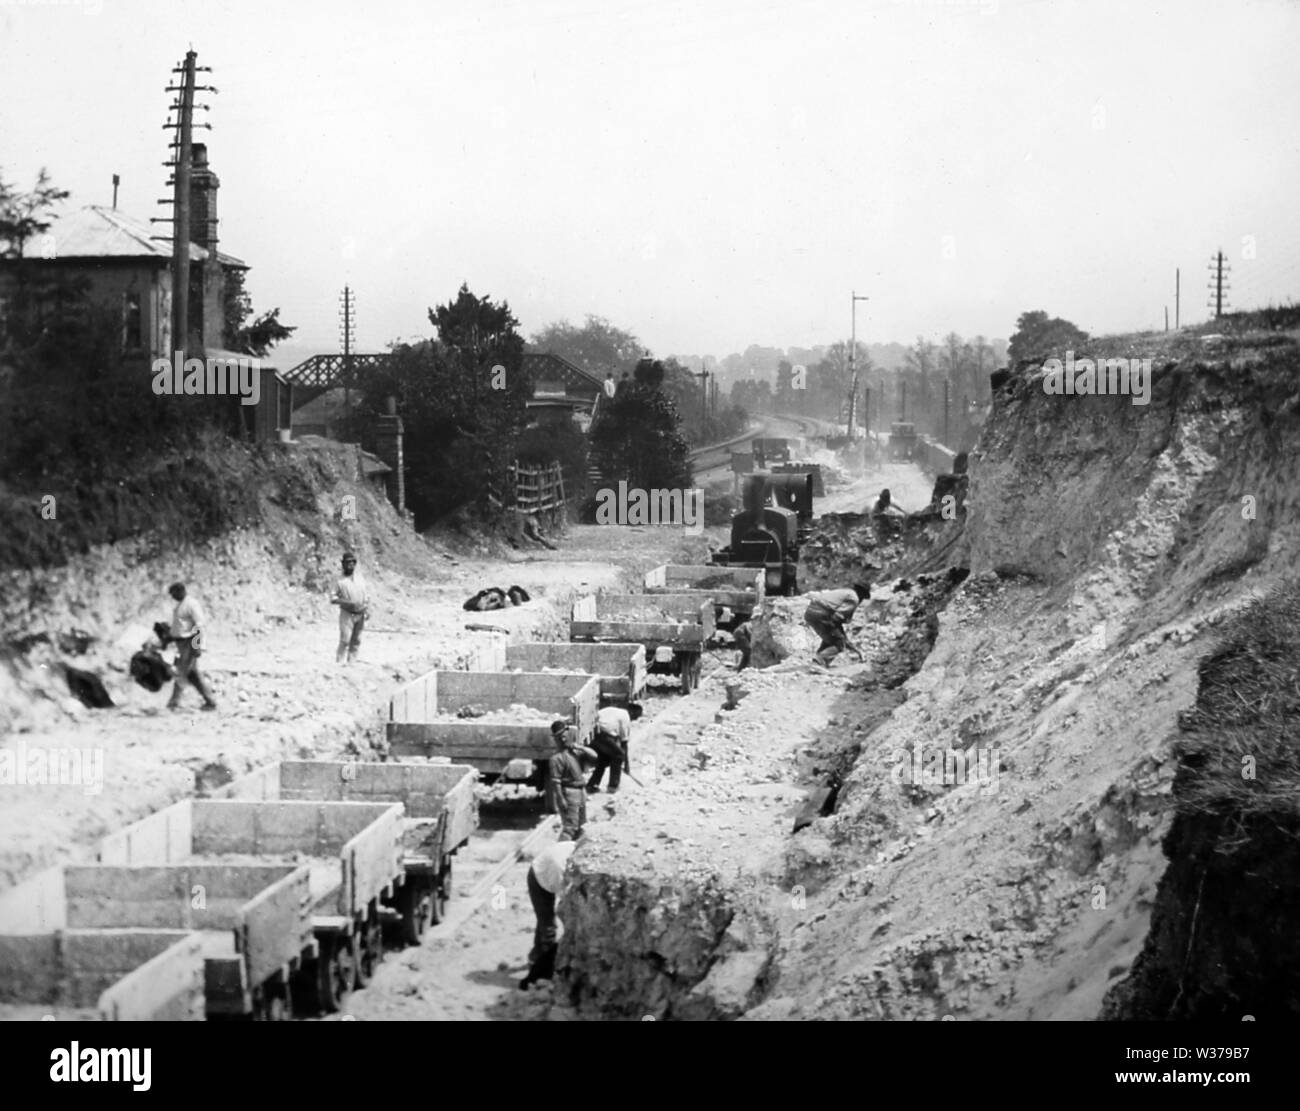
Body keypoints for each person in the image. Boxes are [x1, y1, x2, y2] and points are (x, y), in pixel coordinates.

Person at [520, 838, 578, 990]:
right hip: (538, 877)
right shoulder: (561, 870)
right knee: (548, 927)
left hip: (548, 871)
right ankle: (544, 975)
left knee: (544, 923)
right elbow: (565, 907)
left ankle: (534, 958)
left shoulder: (577, 852)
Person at [164, 582, 217, 711]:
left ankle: (174, 703)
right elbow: (181, 626)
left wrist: (196, 645)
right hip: (181, 643)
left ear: (180, 591)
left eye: (174, 594)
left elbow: (198, 625)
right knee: (193, 675)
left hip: (189, 642)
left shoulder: (191, 604)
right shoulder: (181, 606)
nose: (173, 597)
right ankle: (210, 701)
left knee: (181, 672)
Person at [547, 720, 595, 840]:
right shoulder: (556, 759)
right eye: (559, 738)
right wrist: (561, 799)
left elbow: (594, 756)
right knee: (570, 828)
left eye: (564, 736)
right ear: (555, 740)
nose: (562, 739)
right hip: (569, 793)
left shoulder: (575, 753)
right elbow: (556, 782)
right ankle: (559, 854)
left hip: (580, 791)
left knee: (579, 827)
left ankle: (572, 854)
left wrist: (580, 747)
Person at [803, 582, 870, 667]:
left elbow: (835, 624)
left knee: (831, 638)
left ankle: (821, 662)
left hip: (811, 611)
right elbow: (836, 618)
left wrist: (842, 636)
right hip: (822, 613)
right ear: (862, 594)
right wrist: (843, 640)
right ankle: (818, 662)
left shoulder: (845, 592)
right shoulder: (854, 598)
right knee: (838, 644)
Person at [586, 703, 643, 794]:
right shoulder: (626, 717)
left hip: (592, 732)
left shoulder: (614, 711)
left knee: (605, 760)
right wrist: (626, 765)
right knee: (619, 755)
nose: (635, 719)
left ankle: (592, 785)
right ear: (632, 712)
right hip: (603, 734)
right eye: (636, 716)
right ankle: (613, 786)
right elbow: (624, 744)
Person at [330, 552, 370, 664]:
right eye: (347, 562)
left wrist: (367, 609)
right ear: (343, 564)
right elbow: (333, 598)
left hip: (360, 613)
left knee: (356, 640)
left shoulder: (360, 578)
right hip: (347, 614)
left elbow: (366, 595)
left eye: (352, 562)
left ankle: (352, 663)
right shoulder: (339, 581)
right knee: (345, 640)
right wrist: (348, 603)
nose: (350, 565)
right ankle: (339, 662)